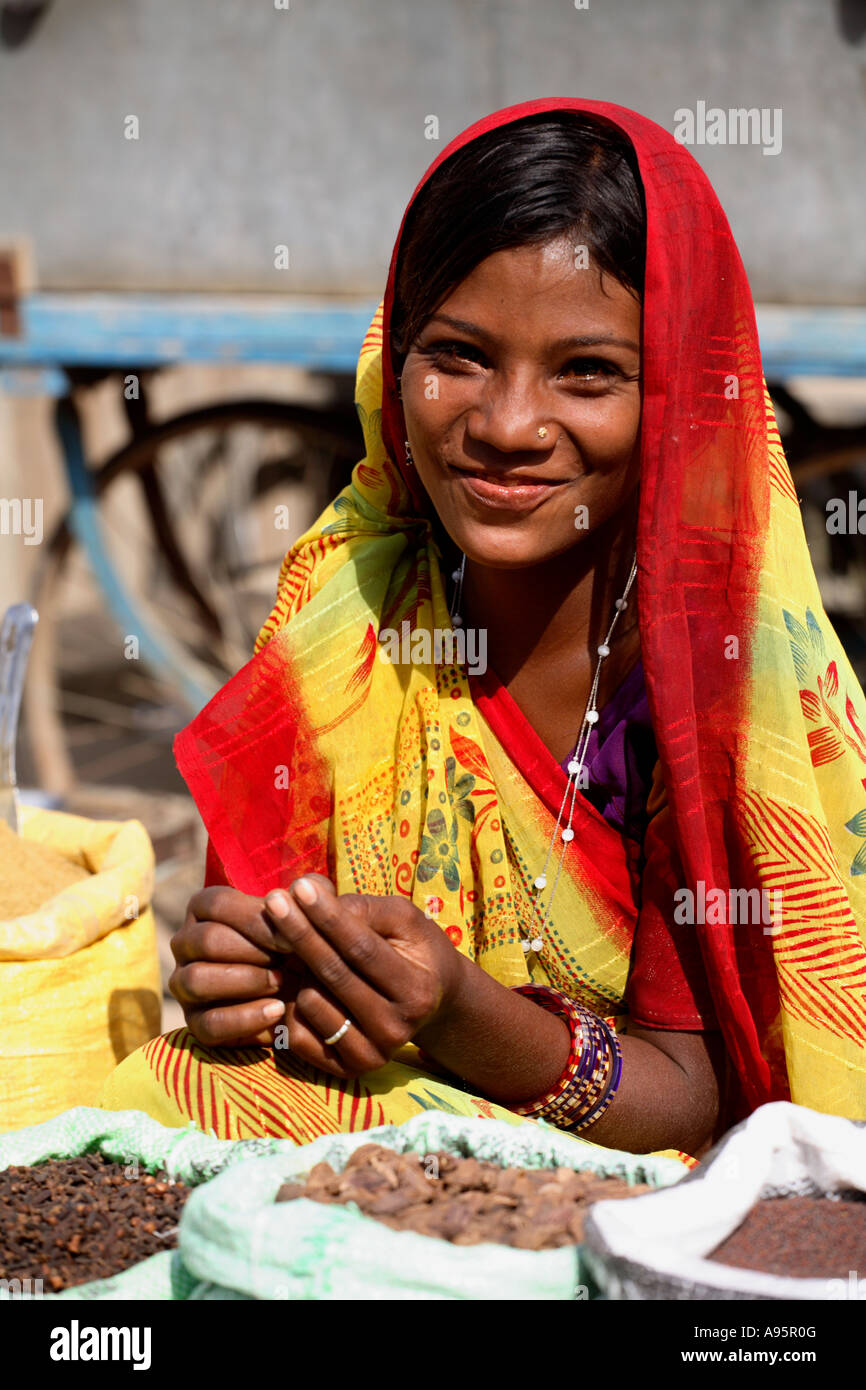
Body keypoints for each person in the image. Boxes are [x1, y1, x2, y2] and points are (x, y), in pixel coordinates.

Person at [102, 98, 866, 1163]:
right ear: (394, 356)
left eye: (587, 373)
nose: (507, 426)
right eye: (457, 356)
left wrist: (457, 1009)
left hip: (639, 1175)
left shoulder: (710, 684)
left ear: (681, 396)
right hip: (389, 1124)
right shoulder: (352, 617)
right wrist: (243, 980)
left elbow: (694, 1099)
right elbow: (266, 948)